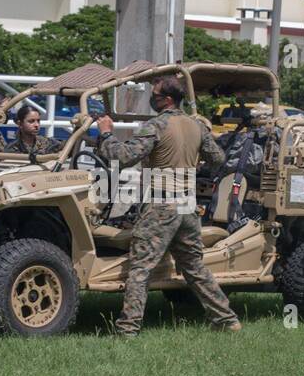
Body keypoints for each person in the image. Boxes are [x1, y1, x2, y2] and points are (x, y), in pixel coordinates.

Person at [96, 75, 241, 336]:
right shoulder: (196, 125)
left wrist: (106, 133)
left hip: (161, 205)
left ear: (168, 100)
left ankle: (127, 330)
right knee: (194, 267)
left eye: (156, 95)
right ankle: (227, 320)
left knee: (140, 268)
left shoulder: (157, 125)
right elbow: (218, 158)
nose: (153, 99)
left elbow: (121, 156)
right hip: (187, 205)